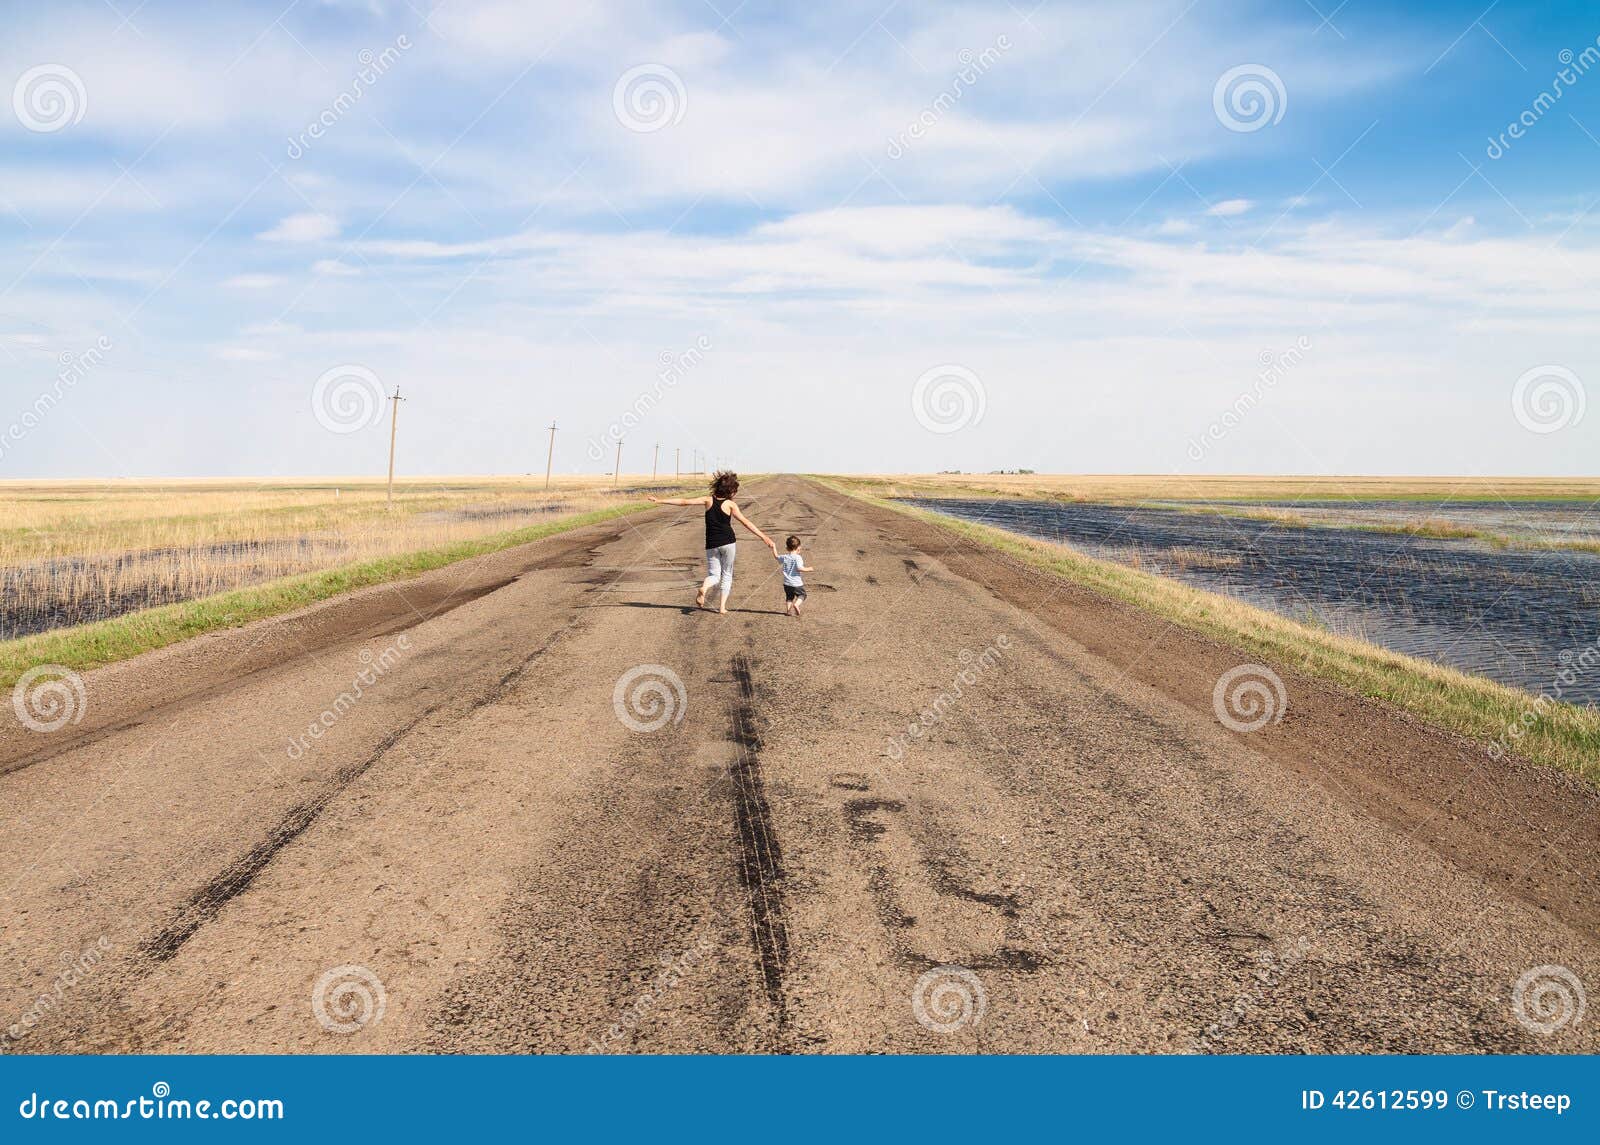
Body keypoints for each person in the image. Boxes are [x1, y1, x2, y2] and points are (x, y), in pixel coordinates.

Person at [647, 471, 776, 615]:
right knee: (727, 574)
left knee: (714, 575)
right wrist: (764, 537)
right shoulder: (730, 505)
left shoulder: (708, 500)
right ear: (730, 491)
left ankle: (704, 587)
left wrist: (659, 500)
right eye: (735, 490)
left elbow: (684, 502)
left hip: (712, 543)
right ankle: (722, 608)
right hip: (728, 542)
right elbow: (746, 522)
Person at [777, 535, 812, 618]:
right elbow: (800, 568)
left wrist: (773, 547)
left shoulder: (784, 557)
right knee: (803, 595)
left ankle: (788, 611)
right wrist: (809, 569)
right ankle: (796, 605)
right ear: (799, 547)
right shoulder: (798, 557)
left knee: (789, 597)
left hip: (786, 583)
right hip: (796, 583)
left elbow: (776, 557)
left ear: (787, 548)